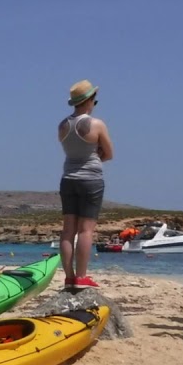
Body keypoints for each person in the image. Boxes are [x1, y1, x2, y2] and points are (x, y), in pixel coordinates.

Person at [57, 79, 113, 289]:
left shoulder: (63, 126)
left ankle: (69, 277)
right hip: (91, 179)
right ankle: (81, 276)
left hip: (68, 178)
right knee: (86, 230)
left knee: (67, 230)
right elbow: (109, 153)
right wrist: (96, 156)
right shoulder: (96, 124)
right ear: (89, 101)